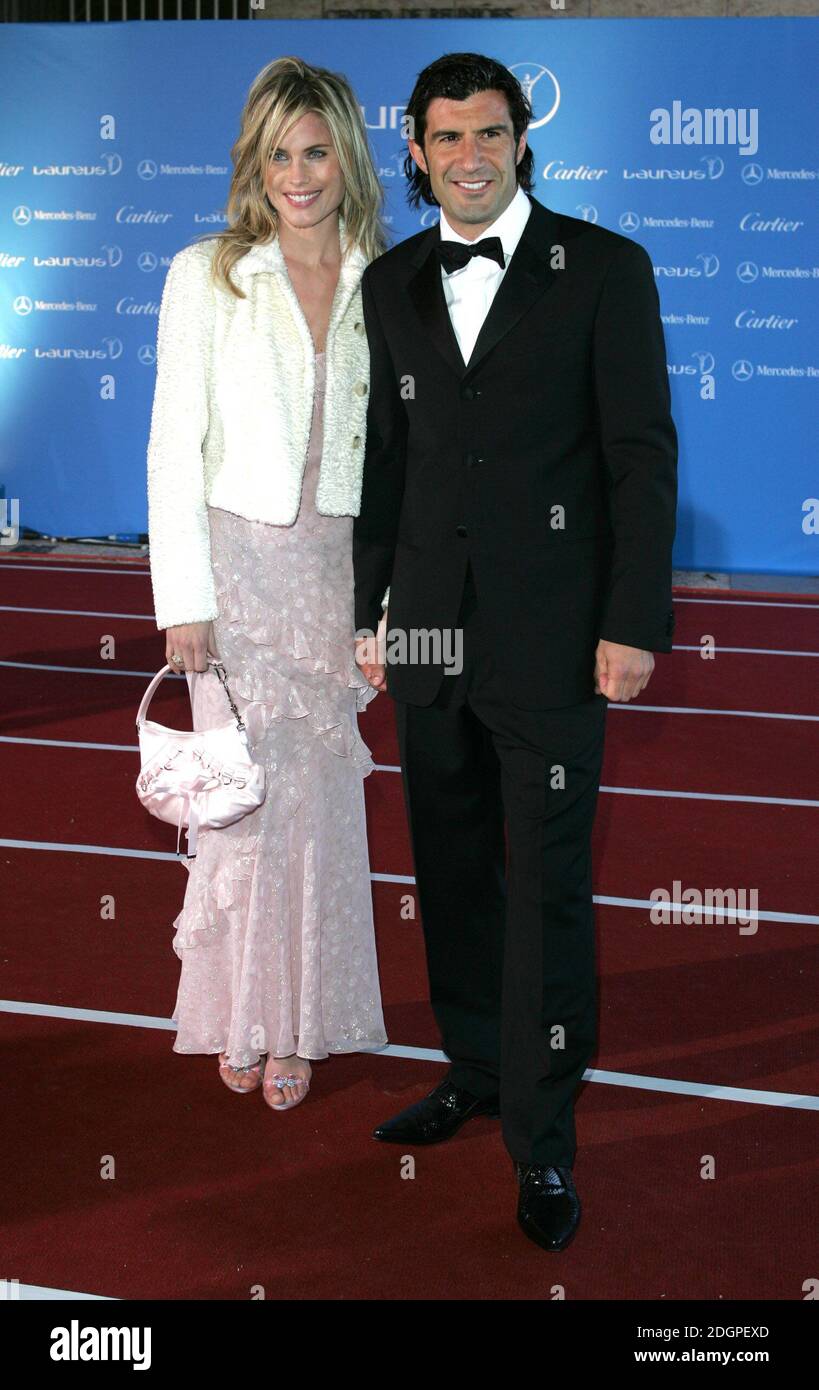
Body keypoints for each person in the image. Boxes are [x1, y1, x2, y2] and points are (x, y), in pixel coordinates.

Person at [353, 52, 677, 1248]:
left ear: (521, 141)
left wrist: (632, 620)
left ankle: (543, 1139)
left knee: (544, 887)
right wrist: (369, 609)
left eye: (490, 133)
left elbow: (641, 458)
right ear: (419, 152)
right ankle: (476, 1066)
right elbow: (390, 458)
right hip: (430, 627)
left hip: (555, 636)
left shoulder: (602, 269)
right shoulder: (390, 282)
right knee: (449, 867)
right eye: (448, 138)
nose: (471, 157)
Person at [146, 56, 389, 1112]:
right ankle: (242, 1015)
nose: (299, 174)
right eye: (280, 154)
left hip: (340, 569)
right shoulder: (207, 272)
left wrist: (389, 606)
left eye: (317, 150)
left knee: (322, 802)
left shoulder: (392, 275)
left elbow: (409, 459)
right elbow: (171, 446)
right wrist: (180, 600)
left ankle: (301, 1023)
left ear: (348, 156)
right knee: (241, 804)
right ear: (256, 162)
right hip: (237, 571)